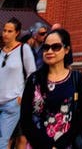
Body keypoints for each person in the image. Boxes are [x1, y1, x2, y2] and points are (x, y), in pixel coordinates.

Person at [19, 27, 82, 149]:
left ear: (66, 49)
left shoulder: (76, 78)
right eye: (46, 47)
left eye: (56, 47)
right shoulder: (34, 79)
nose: (49, 51)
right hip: (37, 144)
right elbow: (25, 119)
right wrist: (45, 145)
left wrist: (60, 144)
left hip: (66, 144)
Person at [0, 17, 36, 149]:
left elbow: (32, 74)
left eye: (10, 31)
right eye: (4, 30)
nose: (6, 34)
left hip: (13, 103)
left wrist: (22, 95)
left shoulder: (23, 49)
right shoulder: (1, 52)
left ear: (17, 33)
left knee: (3, 142)